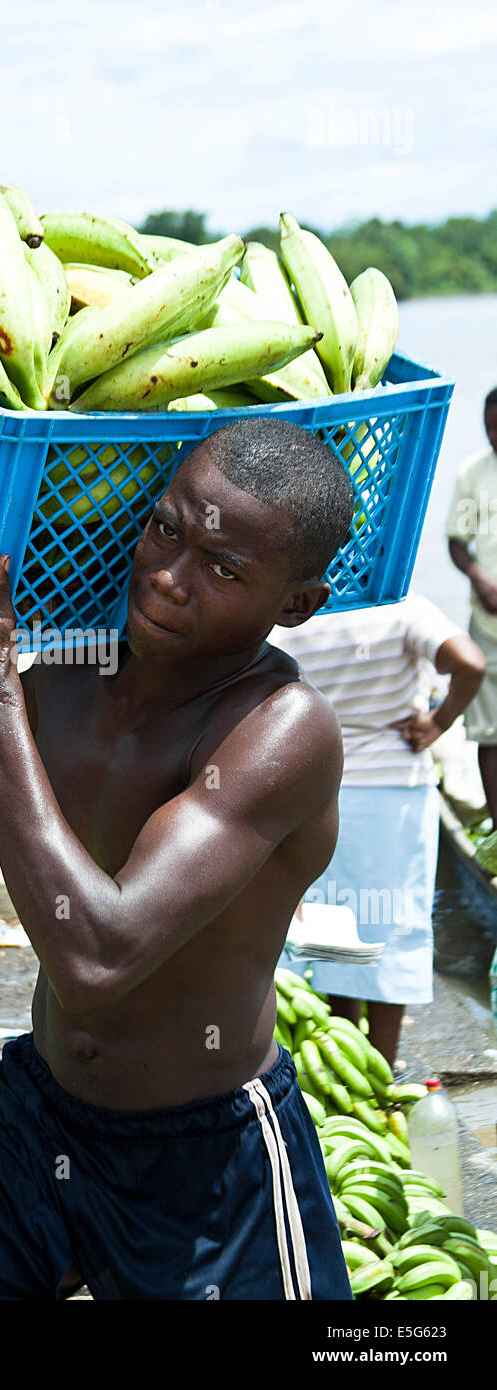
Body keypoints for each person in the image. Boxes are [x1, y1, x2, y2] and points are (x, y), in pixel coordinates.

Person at [0, 418, 357, 1302]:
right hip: (42, 1123)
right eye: (164, 530)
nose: (169, 578)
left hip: (209, 1171)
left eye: (224, 571)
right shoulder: (75, 667)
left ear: (295, 604)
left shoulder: (281, 729)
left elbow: (98, 960)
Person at [273, 594, 484, 1070]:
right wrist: (438, 722)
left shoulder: (294, 607)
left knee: (329, 927)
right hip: (391, 793)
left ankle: (339, 1062)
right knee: (389, 926)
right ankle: (382, 1072)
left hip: (309, 787)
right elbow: (470, 662)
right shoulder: (405, 607)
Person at [446, 388, 497, 824]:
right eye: (488, 427)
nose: (493, 436)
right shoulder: (473, 473)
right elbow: (458, 542)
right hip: (488, 624)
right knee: (489, 731)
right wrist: (480, 579)